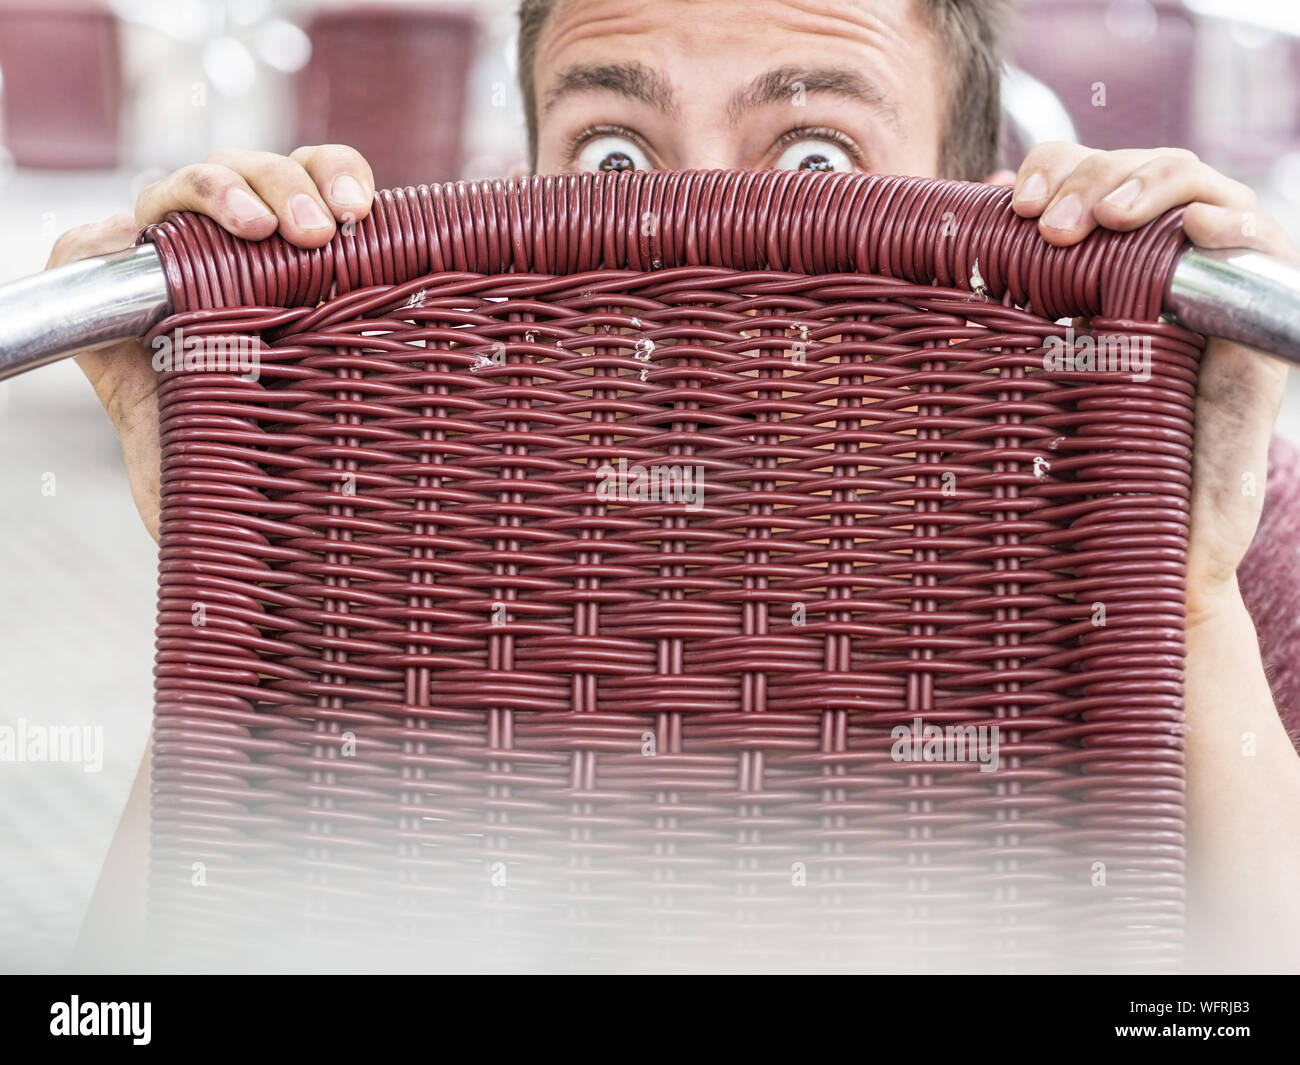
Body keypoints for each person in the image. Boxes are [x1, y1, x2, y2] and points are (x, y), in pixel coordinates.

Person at [54, 0, 1300, 971]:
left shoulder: (1193, 510)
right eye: (609, 155)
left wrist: (1183, 602)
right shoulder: (422, 522)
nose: (690, 238)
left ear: (973, 194)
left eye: (813, 160)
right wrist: (252, 566)